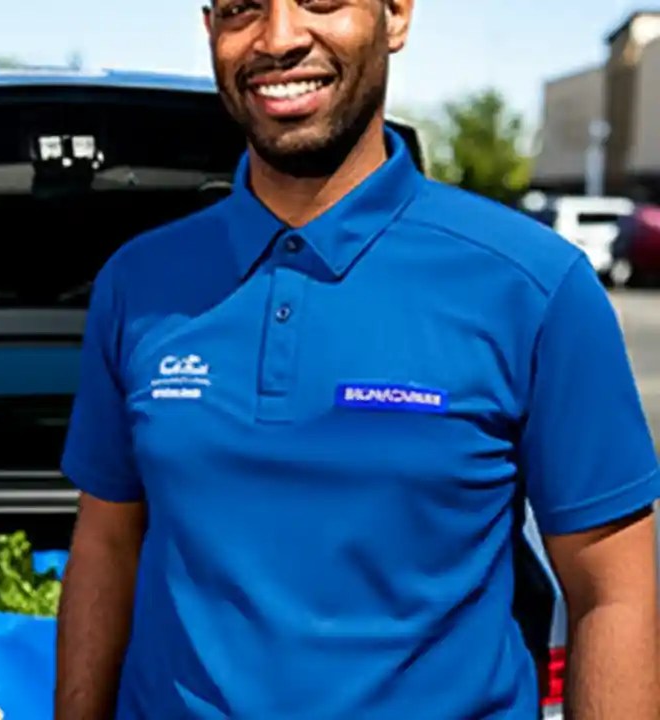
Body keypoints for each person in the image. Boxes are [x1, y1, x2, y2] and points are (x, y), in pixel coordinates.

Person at [55, 1, 660, 718]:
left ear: (396, 16)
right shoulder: (140, 283)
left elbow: (613, 595)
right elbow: (106, 546)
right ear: (211, 26)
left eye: (320, 2)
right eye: (243, 9)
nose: (279, 39)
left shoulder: (532, 286)